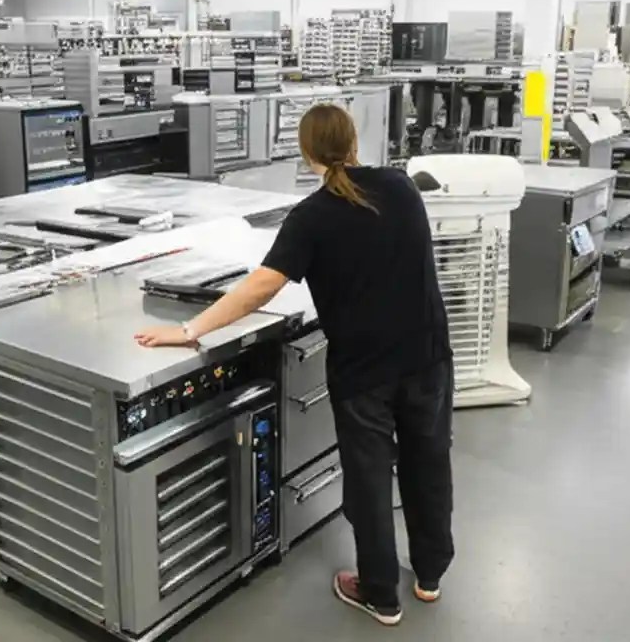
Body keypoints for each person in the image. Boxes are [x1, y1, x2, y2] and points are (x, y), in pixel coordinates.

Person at [135, 103, 455, 626]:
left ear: (306, 153)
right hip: (427, 359)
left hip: (364, 373)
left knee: (370, 483)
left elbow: (262, 285)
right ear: (354, 141)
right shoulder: (401, 186)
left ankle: (380, 593)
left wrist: (188, 330)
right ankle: (429, 576)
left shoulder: (312, 216)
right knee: (429, 465)